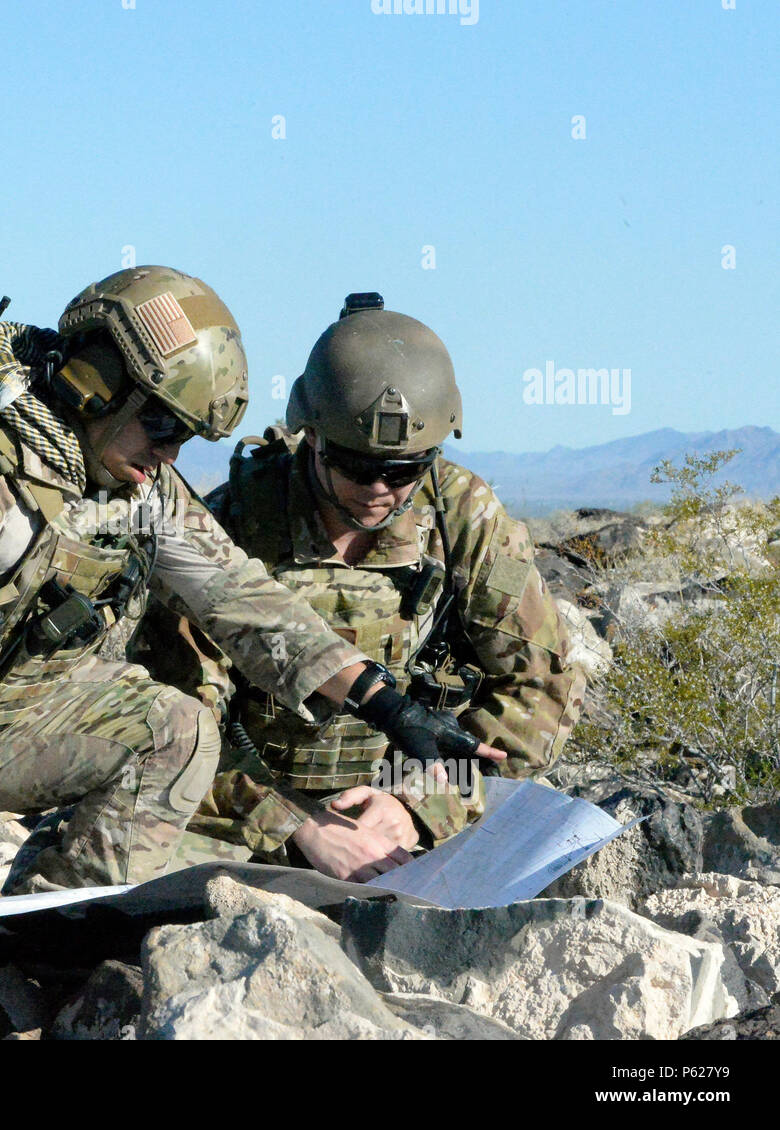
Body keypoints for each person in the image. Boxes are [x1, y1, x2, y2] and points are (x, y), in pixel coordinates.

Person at [0, 271, 502, 1024]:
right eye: (161, 431)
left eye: (182, 443)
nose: (164, 463)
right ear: (96, 386)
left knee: (174, 731)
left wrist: (383, 702)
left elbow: (238, 596)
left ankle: (44, 947)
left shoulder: (120, 477)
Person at [137, 292, 586, 881]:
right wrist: (293, 823)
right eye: (356, 464)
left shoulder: (461, 518)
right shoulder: (232, 526)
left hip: (410, 815)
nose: (379, 489)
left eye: (404, 470)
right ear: (312, 437)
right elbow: (177, 722)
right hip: (260, 819)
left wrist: (416, 806)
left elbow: (541, 690)